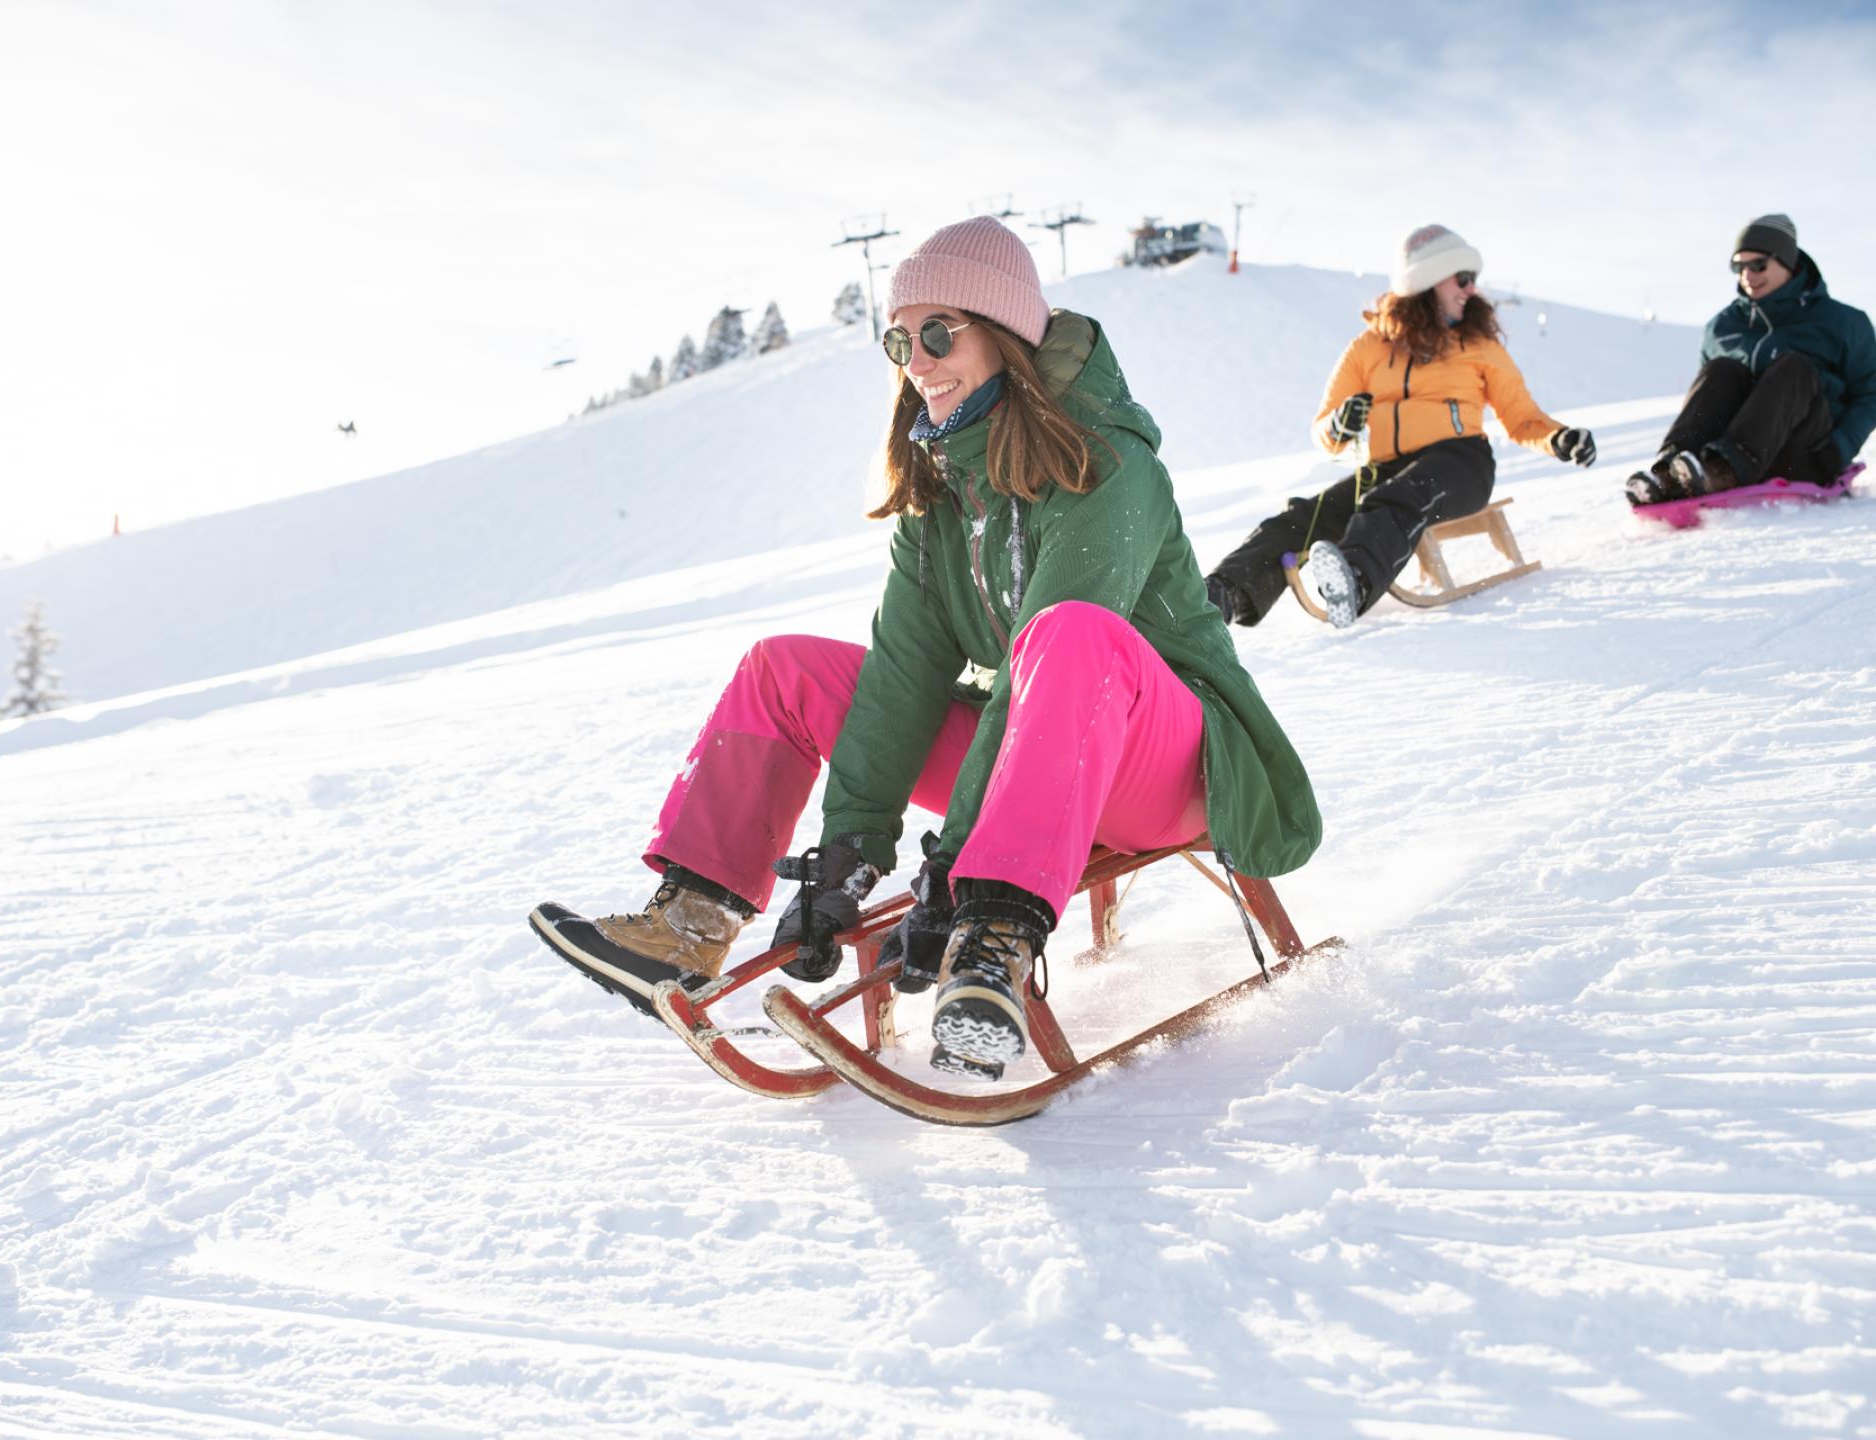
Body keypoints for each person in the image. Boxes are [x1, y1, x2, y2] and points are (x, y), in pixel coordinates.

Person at [530, 217, 1321, 1077]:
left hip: (1172, 766)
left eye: (938, 334)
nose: (917, 359)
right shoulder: (943, 490)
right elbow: (905, 675)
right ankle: (689, 921)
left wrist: (950, 870)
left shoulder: (1107, 464)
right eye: (898, 339)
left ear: (1008, 336)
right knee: (784, 670)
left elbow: (1046, 670)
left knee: (1068, 634)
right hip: (1038, 758)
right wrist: (848, 858)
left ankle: (994, 945)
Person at [1204, 224, 1597, 630]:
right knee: (1302, 516)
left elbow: (1521, 417)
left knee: (1399, 496)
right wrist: (1341, 424)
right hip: (1387, 467)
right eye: (1462, 278)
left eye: (1473, 280)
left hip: (1461, 462)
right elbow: (1324, 429)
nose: (1471, 289)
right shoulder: (1368, 347)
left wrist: (1559, 438)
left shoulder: (1478, 345)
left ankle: (1352, 583)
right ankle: (1222, 594)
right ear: (1427, 281)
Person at [1625, 214, 1876, 505]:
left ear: (1788, 263)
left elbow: (1870, 393)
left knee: (1792, 367)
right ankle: (1669, 473)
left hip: (1806, 454)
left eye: (1759, 265)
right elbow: (1706, 403)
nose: (1748, 276)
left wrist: (1838, 449)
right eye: (1739, 266)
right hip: (1717, 451)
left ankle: (1724, 471)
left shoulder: (1842, 322)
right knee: (1721, 370)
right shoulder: (1721, 326)